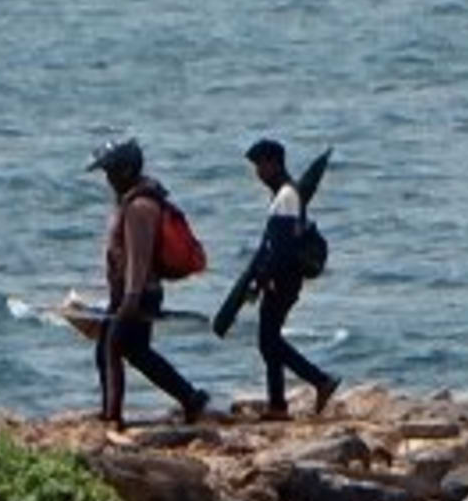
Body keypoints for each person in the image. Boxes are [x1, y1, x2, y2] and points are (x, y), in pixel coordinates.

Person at [87, 138, 215, 426]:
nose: (107, 179)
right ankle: (191, 398)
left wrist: (131, 299)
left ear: (126, 170)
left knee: (110, 349)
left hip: (137, 293)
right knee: (137, 352)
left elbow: (139, 257)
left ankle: (112, 415)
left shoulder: (140, 207)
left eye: (111, 172)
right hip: (138, 291)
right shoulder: (139, 201)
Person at [212, 136, 340, 416]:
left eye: (261, 164)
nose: (258, 173)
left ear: (274, 163)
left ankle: (319, 381)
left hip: (282, 278)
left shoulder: (286, 197)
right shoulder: (287, 195)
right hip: (282, 276)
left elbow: (281, 247)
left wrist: (264, 279)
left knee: (269, 341)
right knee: (269, 339)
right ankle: (278, 404)